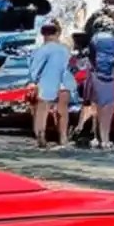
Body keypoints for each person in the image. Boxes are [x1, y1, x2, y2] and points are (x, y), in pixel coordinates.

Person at [27, 21, 72, 149]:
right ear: (58, 33)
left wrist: (33, 82)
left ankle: (41, 135)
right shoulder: (65, 49)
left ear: (42, 34)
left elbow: (34, 70)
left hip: (45, 83)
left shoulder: (38, 51)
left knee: (42, 111)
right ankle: (63, 139)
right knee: (62, 112)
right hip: (63, 83)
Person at [87, 6, 114, 150]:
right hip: (110, 76)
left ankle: (96, 137)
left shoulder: (94, 38)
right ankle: (105, 139)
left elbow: (91, 56)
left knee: (96, 107)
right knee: (108, 109)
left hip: (96, 74)